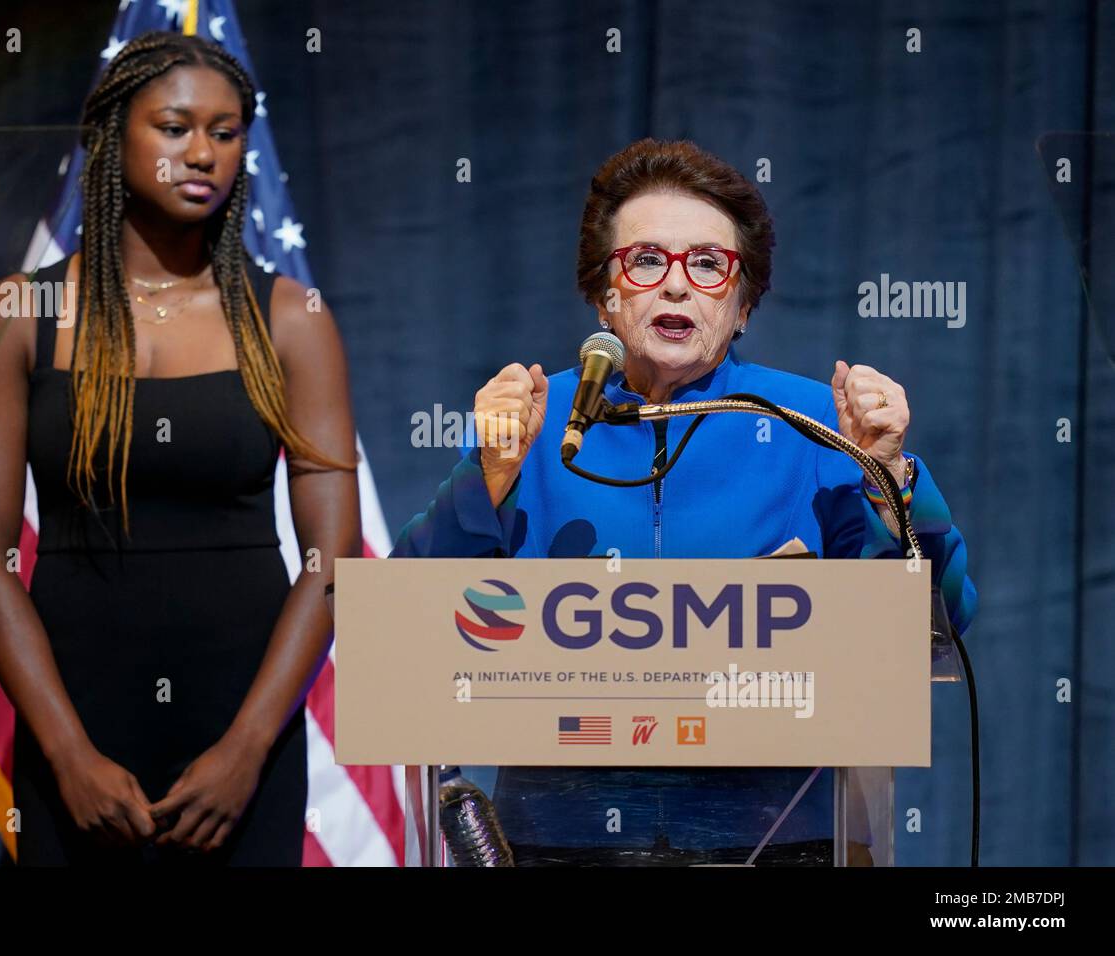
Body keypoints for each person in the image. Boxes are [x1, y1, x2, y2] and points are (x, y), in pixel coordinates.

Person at [392, 138, 977, 866]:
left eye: (708, 264)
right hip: (558, 840)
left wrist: (888, 476)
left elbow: (944, 614)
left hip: (778, 838)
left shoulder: (817, 424)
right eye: (646, 261)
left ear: (743, 305)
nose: (676, 286)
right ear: (604, 294)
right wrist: (489, 474)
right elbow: (403, 625)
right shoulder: (540, 425)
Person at [0, 32, 360, 865]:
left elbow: (333, 561)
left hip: (247, 734)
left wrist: (248, 750)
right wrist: (68, 756)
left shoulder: (291, 319)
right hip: (79, 736)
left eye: (225, 130)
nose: (202, 152)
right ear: (111, 136)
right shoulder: (11, 316)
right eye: (174, 127)